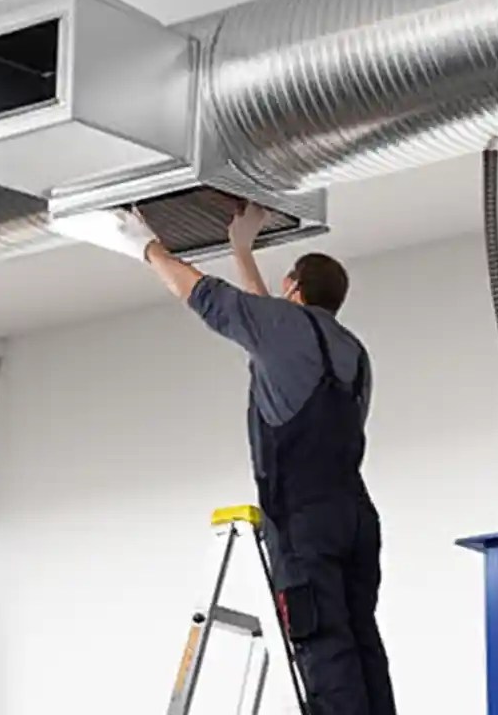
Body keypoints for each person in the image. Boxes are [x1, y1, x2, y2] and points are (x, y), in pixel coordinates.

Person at [55, 205, 396, 715]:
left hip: (306, 522)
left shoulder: (283, 325)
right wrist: (241, 249)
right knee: (362, 643)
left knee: (323, 646)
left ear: (292, 285)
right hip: (356, 518)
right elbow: (267, 329)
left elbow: (202, 294)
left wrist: (144, 245)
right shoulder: (352, 352)